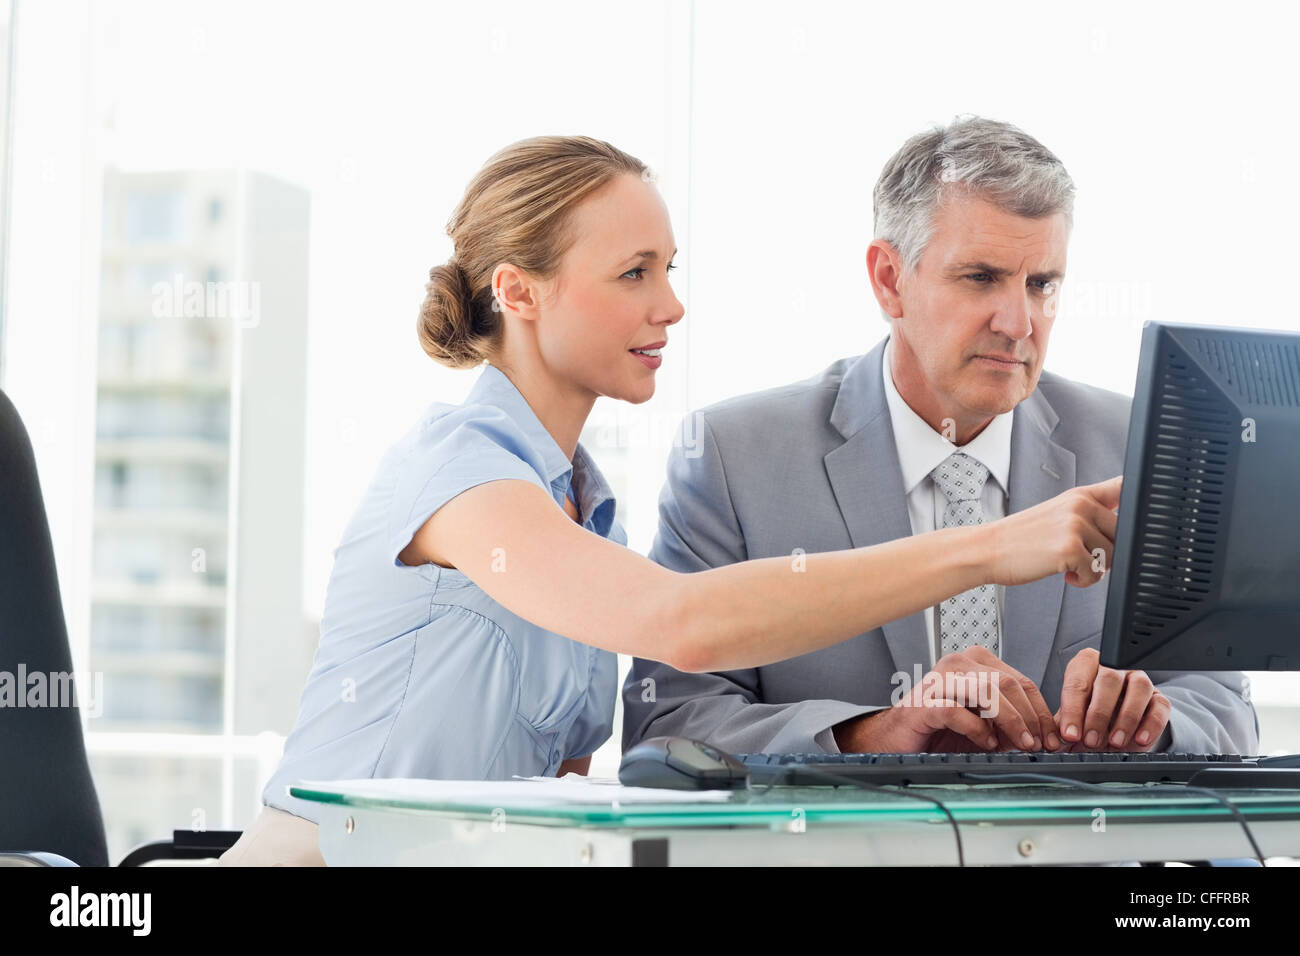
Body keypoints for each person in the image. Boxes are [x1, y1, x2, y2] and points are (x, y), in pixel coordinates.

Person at [219, 134, 1123, 866]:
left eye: (669, 268)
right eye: (634, 273)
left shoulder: (581, 506)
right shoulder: (459, 474)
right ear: (519, 292)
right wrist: (992, 547)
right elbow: (684, 621)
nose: (672, 306)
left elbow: (566, 786)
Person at [623, 116, 1259, 760]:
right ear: (889, 280)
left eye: (1042, 285)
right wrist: (873, 734)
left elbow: (1225, 705)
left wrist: (1152, 721)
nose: (1018, 323)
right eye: (980, 277)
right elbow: (670, 721)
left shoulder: (1140, 449)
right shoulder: (736, 457)